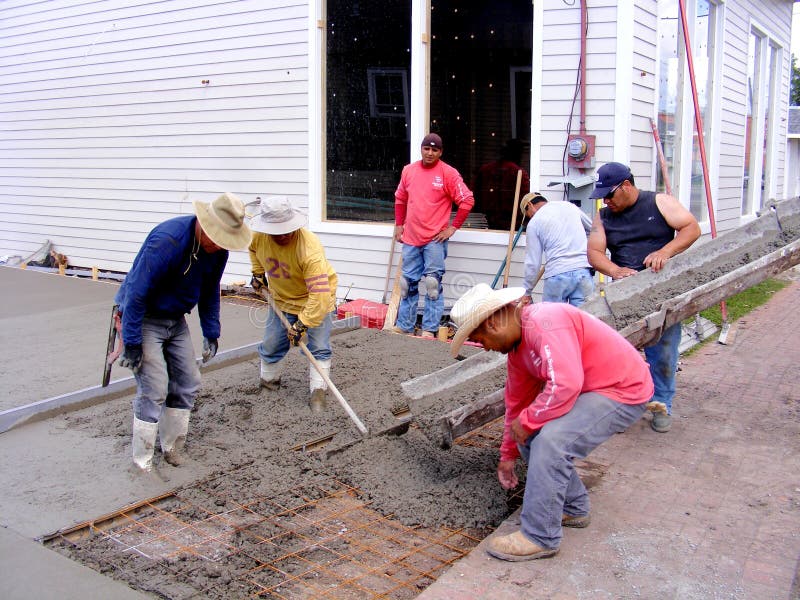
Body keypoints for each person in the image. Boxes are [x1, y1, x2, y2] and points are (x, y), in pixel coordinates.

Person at [449, 283, 653, 561]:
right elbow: (516, 407)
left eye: (479, 339)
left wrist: (530, 421)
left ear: (494, 323)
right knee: (530, 435)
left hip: (622, 389)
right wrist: (508, 454)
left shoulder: (545, 323)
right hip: (593, 389)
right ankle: (573, 506)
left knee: (551, 440)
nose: (484, 348)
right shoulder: (517, 352)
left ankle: (540, 535)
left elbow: (566, 384)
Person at [116, 192, 252, 473]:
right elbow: (136, 294)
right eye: (217, 237)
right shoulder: (168, 241)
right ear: (204, 224)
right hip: (145, 316)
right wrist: (131, 340)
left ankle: (172, 447)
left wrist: (211, 331)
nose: (219, 245)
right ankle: (142, 462)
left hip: (175, 318)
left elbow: (210, 291)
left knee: (188, 381)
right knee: (154, 386)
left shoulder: (217, 253)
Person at [587, 162, 701, 433]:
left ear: (626, 185)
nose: (606, 200)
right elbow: (594, 253)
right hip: (624, 294)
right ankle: (623, 406)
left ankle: (661, 404)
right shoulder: (603, 217)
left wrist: (666, 251)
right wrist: (615, 270)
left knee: (662, 351)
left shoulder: (659, 202)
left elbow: (691, 228)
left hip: (662, 291)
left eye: (609, 194)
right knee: (617, 354)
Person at [248, 196, 338, 413]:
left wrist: (302, 324)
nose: (284, 235)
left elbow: (319, 294)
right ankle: (269, 384)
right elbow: (253, 252)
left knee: (318, 347)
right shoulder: (259, 238)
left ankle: (318, 393)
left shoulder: (309, 249)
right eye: (277, 232)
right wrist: (258, 273)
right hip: (281, 298)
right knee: (271, 344)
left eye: (287, 230)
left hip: (315, 301)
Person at [393, 133, 475, 338]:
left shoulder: (448, 173)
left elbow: (467, 200)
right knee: (407, 284)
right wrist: (398, 225)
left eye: (435, 150)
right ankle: (405, 325)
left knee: (432, 285)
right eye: (426, 149)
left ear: (440, 152)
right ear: (421, 149)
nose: (430, 153)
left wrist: (452, 228)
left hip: (434, 240)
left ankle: (429, 329)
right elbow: (400, 199)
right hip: (411, 237)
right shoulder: (408, 171)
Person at [518, 192, 594, 307]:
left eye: (528, 215)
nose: (530, 218)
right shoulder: (569, 206)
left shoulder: (534, 222)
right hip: (582, 273)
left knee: (553, 321)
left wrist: (527, 291)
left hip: (557, 275)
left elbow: (533, 263)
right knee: (584, 319)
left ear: (530, 205)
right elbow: (594, 230)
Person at [472, 139, 531, 230]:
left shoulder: (486, 169)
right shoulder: (517, 172)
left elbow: (475, 193)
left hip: (490, 218)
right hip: (506, 219)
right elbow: (524, 198)